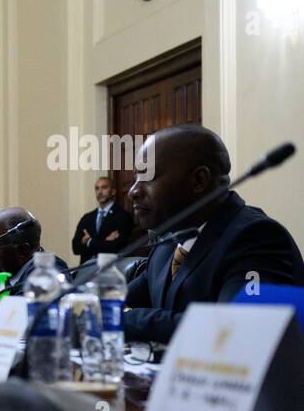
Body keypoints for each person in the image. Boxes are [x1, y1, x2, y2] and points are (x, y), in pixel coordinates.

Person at [124, 125, 304, 343]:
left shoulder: (256, 238)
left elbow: (235, 330)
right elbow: (114, 299)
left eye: (147, 176)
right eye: (135, 179)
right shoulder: (167, 246)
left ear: (199, 180)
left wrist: (126, 318)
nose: (133, 191)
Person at [71, 176, 134, 265]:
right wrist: (105, 241)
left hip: (111, 269)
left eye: (104, 187)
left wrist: (89, 242)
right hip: (86, 271)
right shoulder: (87, 218)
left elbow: (118, 247)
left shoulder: (123, 216)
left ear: (113, 191)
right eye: (97, 188)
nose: (100, 192)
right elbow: (75, 248)